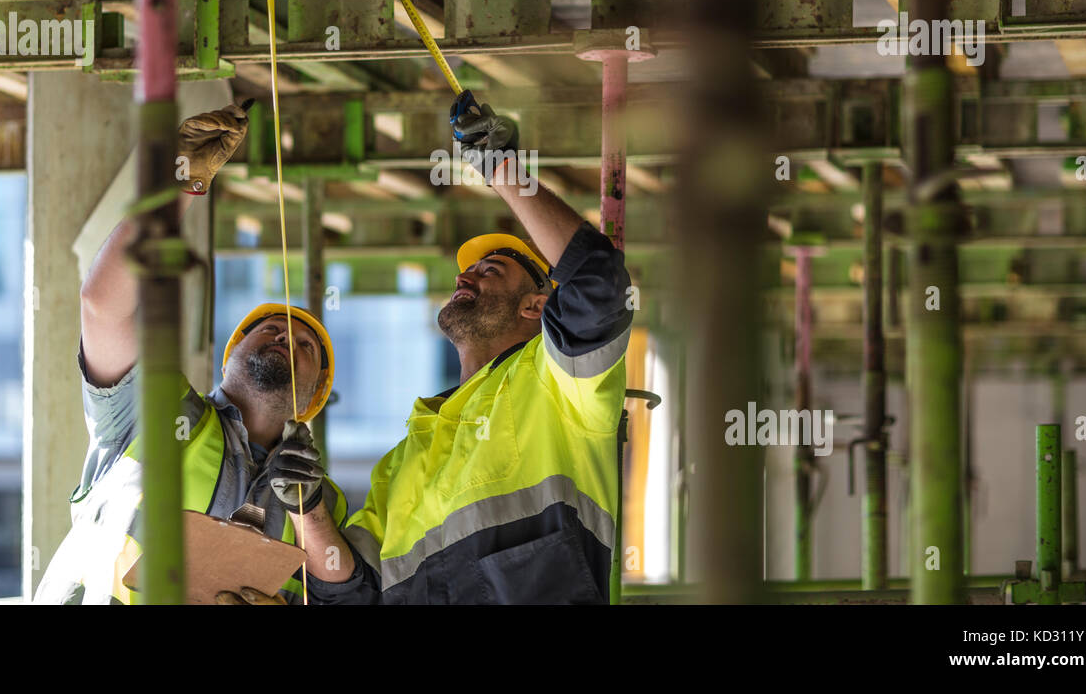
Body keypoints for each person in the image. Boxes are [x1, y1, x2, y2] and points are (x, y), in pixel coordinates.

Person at [280, 91, 635, 603]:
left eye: (490, 270)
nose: (465, 276)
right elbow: (351, 590)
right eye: (466, 270)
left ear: (536, 306)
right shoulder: (403, 460)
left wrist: (503, 168)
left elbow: (598, 283)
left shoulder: (559, 381)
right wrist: (304, 505)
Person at [34, 103, 345, 604]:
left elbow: (341, 592)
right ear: (229, 360)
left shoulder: (318, 505)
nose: (285, 336)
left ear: (313, 398)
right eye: (265, 329)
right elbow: (102, 307)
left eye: (305, 344)